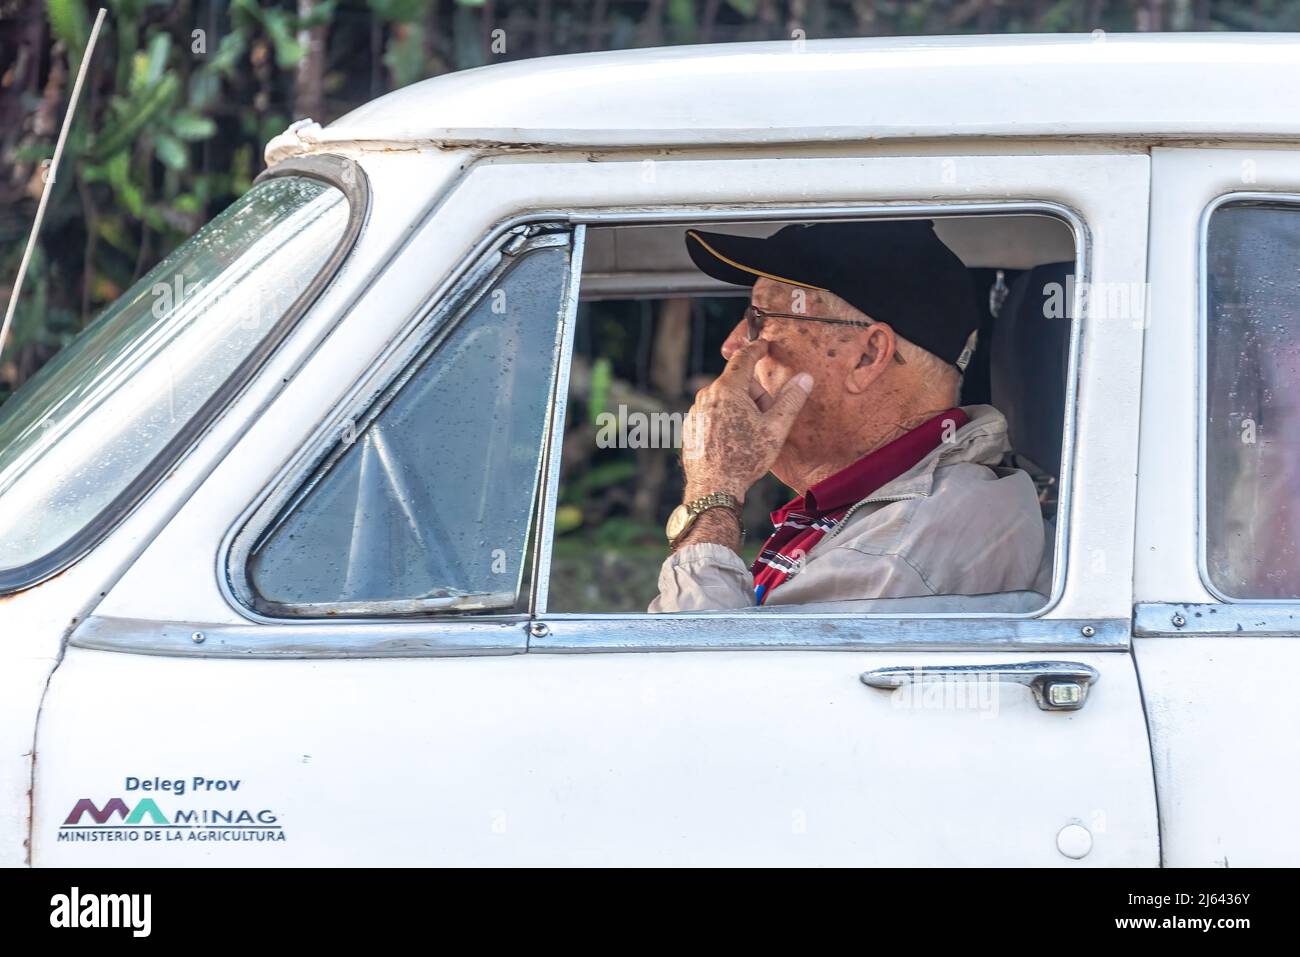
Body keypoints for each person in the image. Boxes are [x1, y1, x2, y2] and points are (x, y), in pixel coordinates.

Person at [649, 219, 1045, 612]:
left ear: (867, 356)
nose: (731, 345)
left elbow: (702, 671)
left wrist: (714, 491)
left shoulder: (899, 547)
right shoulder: (875, 514)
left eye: (759, 320)